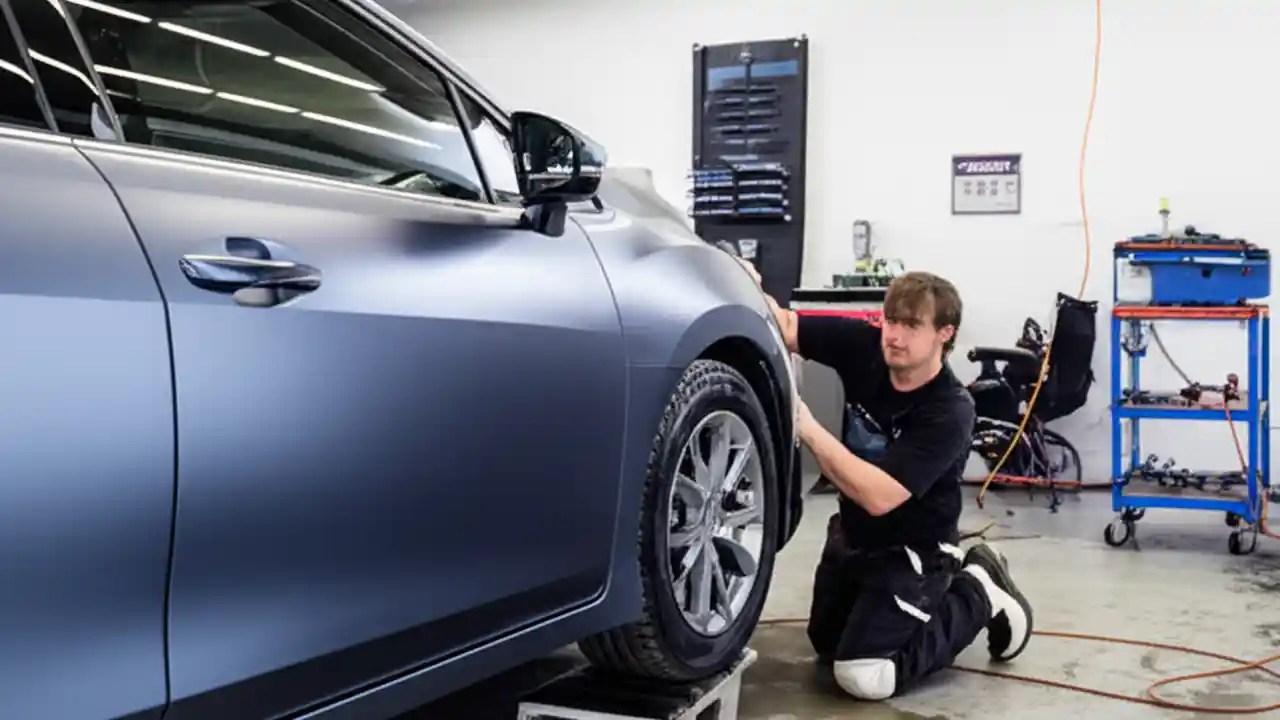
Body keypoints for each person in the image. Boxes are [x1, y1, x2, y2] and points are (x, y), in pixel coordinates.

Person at [739, 262, 1033, 701]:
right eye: (891, 320)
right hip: (856, 539)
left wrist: (807, 427)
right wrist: (744, 281)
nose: (894, 335)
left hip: (915, 552)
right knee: (827, 645)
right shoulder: (868, 346)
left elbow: (878, 496)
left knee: (864, 675)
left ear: (944, 334)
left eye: (912, 326)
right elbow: (784, 325)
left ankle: (978, 590)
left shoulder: (949, 410)